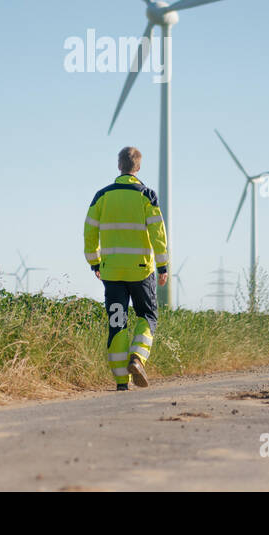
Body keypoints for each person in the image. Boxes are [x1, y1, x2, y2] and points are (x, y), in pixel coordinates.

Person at [83, 146, 169, 390]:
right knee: (146, 316)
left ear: (119, 166)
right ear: (138, 168)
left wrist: (95, 262)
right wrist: (163, 265)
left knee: (117, 322)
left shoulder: (102, 196)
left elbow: (89, 231)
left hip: (111, 273)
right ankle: (137, 358)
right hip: (141, 271)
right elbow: (158, 233)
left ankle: (122, 382)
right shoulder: (146, 196)